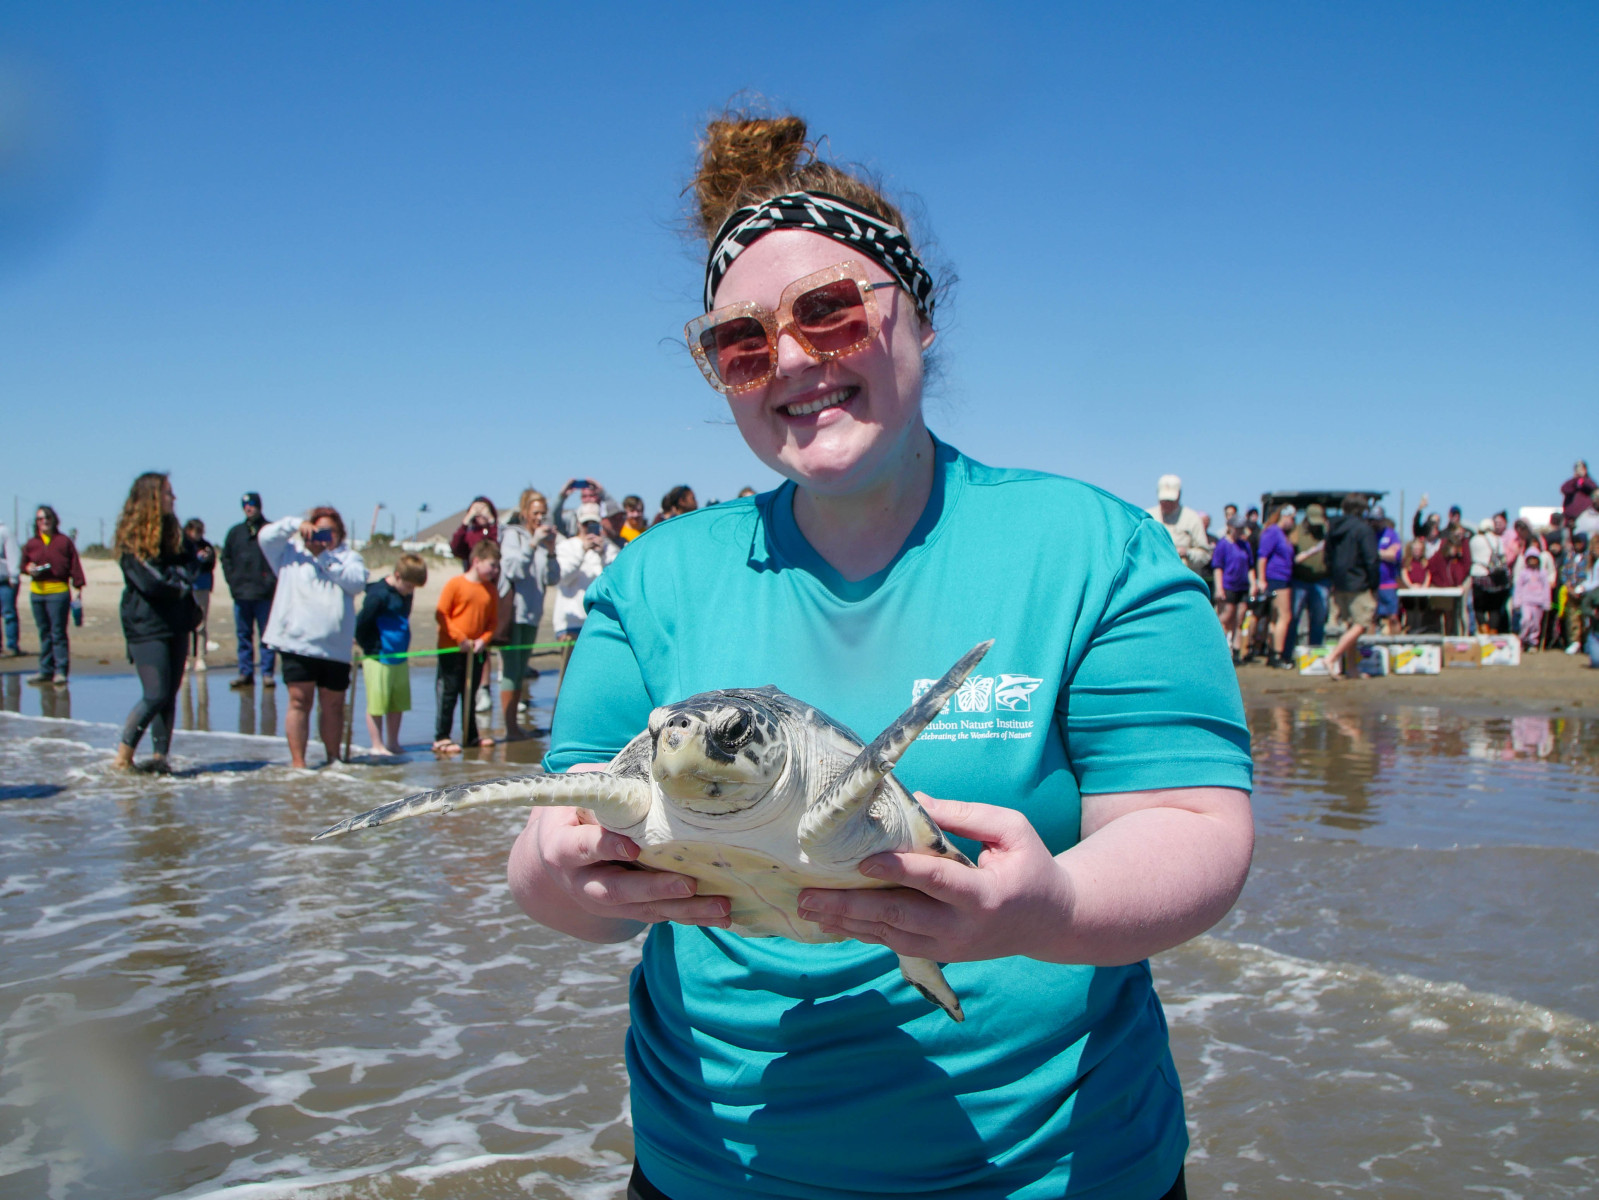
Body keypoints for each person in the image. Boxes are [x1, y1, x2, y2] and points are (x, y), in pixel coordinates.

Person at [508, 110, 1251, 1200]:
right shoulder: (653, 581)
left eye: (831, 313)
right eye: (743, 344)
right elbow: (551, 861)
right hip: (710, 1167)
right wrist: (568, 876)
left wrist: (1045, 913)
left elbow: (1194, 830)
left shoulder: (1091, 551)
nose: (794, 363)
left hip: (1055, 1167)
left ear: (919, 314)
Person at [259, 506, 367, 768]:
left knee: (333, 704)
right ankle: (299, 763)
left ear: (340, 532)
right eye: (319, 530)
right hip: (297, 642)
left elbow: (357, 583)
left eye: (330, 531)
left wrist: (324, 557)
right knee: (299, 700)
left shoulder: (348, 557)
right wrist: (296, 524)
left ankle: (334, 759)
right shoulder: (290, 552)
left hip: (335, 647)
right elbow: (265, 537)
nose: (324, 536)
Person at [111, 473, 201, 771]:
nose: (173, 499)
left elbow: (193, 564)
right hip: (145, 624)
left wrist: (199, 561)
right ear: (151, 497)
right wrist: (180, 584)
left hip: (176, 621)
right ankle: (123, 757)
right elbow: (150, 583)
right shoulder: (131, 538)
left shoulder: (175, 532)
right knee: (155, 693)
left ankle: (161, 757)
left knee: (170, 693)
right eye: (167, 493)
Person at [498, 489, 560, 739]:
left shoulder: (543, 539)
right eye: (535, 513)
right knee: (511, 671)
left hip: (533, 614)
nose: (540, 518)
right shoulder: (513, 535)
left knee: (521, 669)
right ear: (524, 513)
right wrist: (533, 543)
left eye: (543, 514)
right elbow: (513, 570)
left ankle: (514, 726)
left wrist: (551, 550)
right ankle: (510, 728)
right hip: (514, 614)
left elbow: (552, 578)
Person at [355, 553, 428, 754]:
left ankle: (393, 742)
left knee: (397, 702)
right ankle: (376, 744)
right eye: (409, 586)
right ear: (397, 575)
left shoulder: (407, 594)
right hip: (378, 656)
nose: (410, 591)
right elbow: (362, 622)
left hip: (399, 656)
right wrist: (369, 646)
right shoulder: (378, 595)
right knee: (378, 702)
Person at [434, 538, 500, 753]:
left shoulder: (490, 590)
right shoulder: (456, 584)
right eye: (492, 565)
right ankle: (442, 736)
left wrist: (484, 640)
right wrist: (460, 638)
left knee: (470, 693)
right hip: (452, 648)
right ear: (477, 561)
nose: (494, 570)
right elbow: (442, 614)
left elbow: (493, 622)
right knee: (449, 693)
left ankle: (470, 736)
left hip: (476, 650)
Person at [20, 505, 85, 686]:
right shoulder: (32, 543)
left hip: (58, 593)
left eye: (47, 517)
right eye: (40, 519)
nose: (44, 521)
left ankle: (61, 671)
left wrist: (78, 587)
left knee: (58, 633)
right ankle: (45, 670)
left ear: (54, 519)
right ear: (37, 522)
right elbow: (22, 564)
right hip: (37, 593)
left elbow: (75, 565)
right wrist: (28, 568)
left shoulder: (63, 541)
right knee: (44, 633)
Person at [221, 492, 278, 689]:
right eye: (245, 505)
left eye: (252, 504)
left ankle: (267, 673)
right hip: (241, 593)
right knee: (243, 635)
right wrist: (233, 581)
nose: (249, 508)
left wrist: (270, 582)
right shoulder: (235, 532)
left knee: (267, 636)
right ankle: (245, 672)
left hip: (264, 594)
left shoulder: (269, 531)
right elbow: (225, 558)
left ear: (259, 506)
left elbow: (279, 557)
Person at [1324, 493, 1379, 680]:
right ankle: (1332, 657)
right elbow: (1371, 559)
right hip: (1359, 582)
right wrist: (1374, 585)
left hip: (1339, 583)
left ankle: (1351, 669)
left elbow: (1327, 557)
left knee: (1349, 625)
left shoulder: (1333, 529)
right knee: (1361, 624)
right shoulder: (1364, 529)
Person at [552, 517, 617, 642]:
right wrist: (582, 551)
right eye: (585, 524)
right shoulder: (566, 545)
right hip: (570, 624)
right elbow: (562, 578)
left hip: (601, 621)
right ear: (578, 524)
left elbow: (616, 581)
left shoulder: (609, 547)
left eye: (594, 524)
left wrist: (603, 554)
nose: (589, 527)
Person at [1284, 503, 1329, 659]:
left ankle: (1315, 654)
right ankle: (1287, 654)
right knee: (1293, 618)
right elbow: (1291, 556)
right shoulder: (1296, 533)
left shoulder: (1326, 532)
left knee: (1319, 618)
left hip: (1322, 581)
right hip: (1300, 581)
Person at [1144, 474, 1211, 576]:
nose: (1167, 503)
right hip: (1154, 578)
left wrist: (1188, 553)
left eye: (1171, 500)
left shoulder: (1192, 518)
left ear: (1179, 495)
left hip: (1183, 580)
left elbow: (1205, 555)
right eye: (1163, 500)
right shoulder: (1147, 517)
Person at [1254, 505, 1296, 668]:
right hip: (1276, 579)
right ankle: (1277, 654)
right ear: (1284, 516)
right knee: (1284, 616)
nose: (1293, 522)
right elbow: (1262, 556)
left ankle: (1273, 653)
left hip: (1281, 578)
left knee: (1276, 618)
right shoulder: (1273, 532)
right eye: (1291, 518)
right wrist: (1262, 579)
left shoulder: (1282, 535)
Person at [1210, 515, 1253, 661]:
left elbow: (1250, 566)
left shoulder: (1244, 545)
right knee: (1226, 616)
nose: (1240, 530)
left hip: (1243, 586)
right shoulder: (1222, 545)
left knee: (1240, 618)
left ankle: (1236, 650)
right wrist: (1219, 588)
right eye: (1238, 528)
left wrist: (1253, 584)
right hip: (1228, 585)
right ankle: (1220, 649)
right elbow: (1218, 568)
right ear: (1230, 527)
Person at [183, 518, 217, 672]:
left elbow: (211, 565)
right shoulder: (182, 546)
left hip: (202, 587)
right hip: (186, 588)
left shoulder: (206, 546)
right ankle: (186, 657)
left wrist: (206, 558)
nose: (198, 534)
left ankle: (201, 657)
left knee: (201, 623)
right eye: (196, 531)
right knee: (186, 624)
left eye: (201, 531)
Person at [1426, 527, 1472, 634]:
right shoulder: (1439, 557)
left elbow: (1465, 566)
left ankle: (1449, 636)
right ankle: (1437, 635)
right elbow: (1430, 567)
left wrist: (1464, 541)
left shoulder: (1456, 560)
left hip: (1451, 591)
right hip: (1438, 590)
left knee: (1450, 615)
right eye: (1454, 548)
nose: (1455, 551)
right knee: (1437, 615)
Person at [1469, 517, 1510, 634]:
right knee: (1494, 608)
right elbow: (1503, 557)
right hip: (1495, 577)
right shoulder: (1498, 539)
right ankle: (1493, 633)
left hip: (1478, 574)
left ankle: (1483, 630)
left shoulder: (1474, 540)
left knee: (1479, 608)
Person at [1371, 505, 1403, 635]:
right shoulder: (1369, 534)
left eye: (1378, 520)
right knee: (1371, 618)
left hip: (1388, 584)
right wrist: (1385, 553)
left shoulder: (1391, 534)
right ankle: (1369, 647)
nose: (1375, 523)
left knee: (1393, 617)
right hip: (1372, 584)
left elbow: (1394, 555)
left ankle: (1396, 645)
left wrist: (1377, 554)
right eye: (1373, 520)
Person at [1512, 548, 1551, 651]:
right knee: (1526, 620)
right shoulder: (1523, 573)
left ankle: (1533, 642)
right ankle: (1523, 639)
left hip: (1538, 602)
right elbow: (1518, 588)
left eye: (1535, 559)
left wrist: (1547, 602)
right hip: (1526, 601)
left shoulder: (1542, 573)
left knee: (1535, 624)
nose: (1533, 561)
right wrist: (1517, 601)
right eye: (1530, 559)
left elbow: (1546, 588)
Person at [554, 479, 621, 536]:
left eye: (592, 496)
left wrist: (603, 492)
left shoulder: (606, 514)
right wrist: (561, 497)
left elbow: (618, 510)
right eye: (584, 496)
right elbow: (554, 517)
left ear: (598, 496)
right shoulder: (572, 516)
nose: (588, 499)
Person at [450, 496, 500, 568]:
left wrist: (491, 520)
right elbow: (455, 548)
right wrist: (466, 521)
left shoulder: (499, 530)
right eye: (476, 509)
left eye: (483, 508)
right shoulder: (470, 534)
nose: (480, 513)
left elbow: (497, 545)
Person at [0, 516, 21, 656]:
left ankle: (12, 646)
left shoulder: (5, 531)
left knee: (8, 613)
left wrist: (13, 576)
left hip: (5, 581)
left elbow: (14, 554)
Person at [1561, 459, 1595, 524]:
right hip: (1569, 519)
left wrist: (1583, 479)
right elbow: (1563, 489)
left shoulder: (1589, 482)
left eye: (1581, 469)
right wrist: (1575, 480)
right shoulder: (1571, 482)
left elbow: (1593, 488)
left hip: (1584, 518)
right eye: (1577, 469)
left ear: (1585, 470)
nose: (1578, 471)